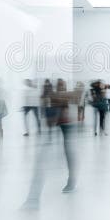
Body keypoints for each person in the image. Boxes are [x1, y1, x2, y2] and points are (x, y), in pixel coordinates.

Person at [24, 79, 79, 208]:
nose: (60, 87)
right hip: (58, 125)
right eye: (59, 85)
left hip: (66, 126)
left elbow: (68, 108)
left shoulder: (63, 96)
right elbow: (48, 114)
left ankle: (71, 181)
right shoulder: (54, 96)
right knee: (56, 155)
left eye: (62, 85)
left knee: (68, 152)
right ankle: (33, 199)